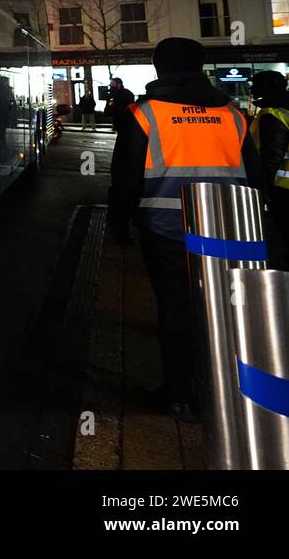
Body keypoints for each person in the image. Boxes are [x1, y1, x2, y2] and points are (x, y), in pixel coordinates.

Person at [109, 37, 258, 422]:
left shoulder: (143, 115)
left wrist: (118, 222)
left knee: (175, 308)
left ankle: (179, 394)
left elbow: (125, 179)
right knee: (225, 309)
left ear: (161, 68)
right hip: (230, 229)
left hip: (165, 228)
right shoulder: (234, 114)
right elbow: (255, 176)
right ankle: (227, 389)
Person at [249, 70, 289, 268]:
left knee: (281, 239)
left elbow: (272, 155)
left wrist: (263, 189)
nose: (251, 89)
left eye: (255, 84)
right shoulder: (284, 109)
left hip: (282, 188)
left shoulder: (272, 114)